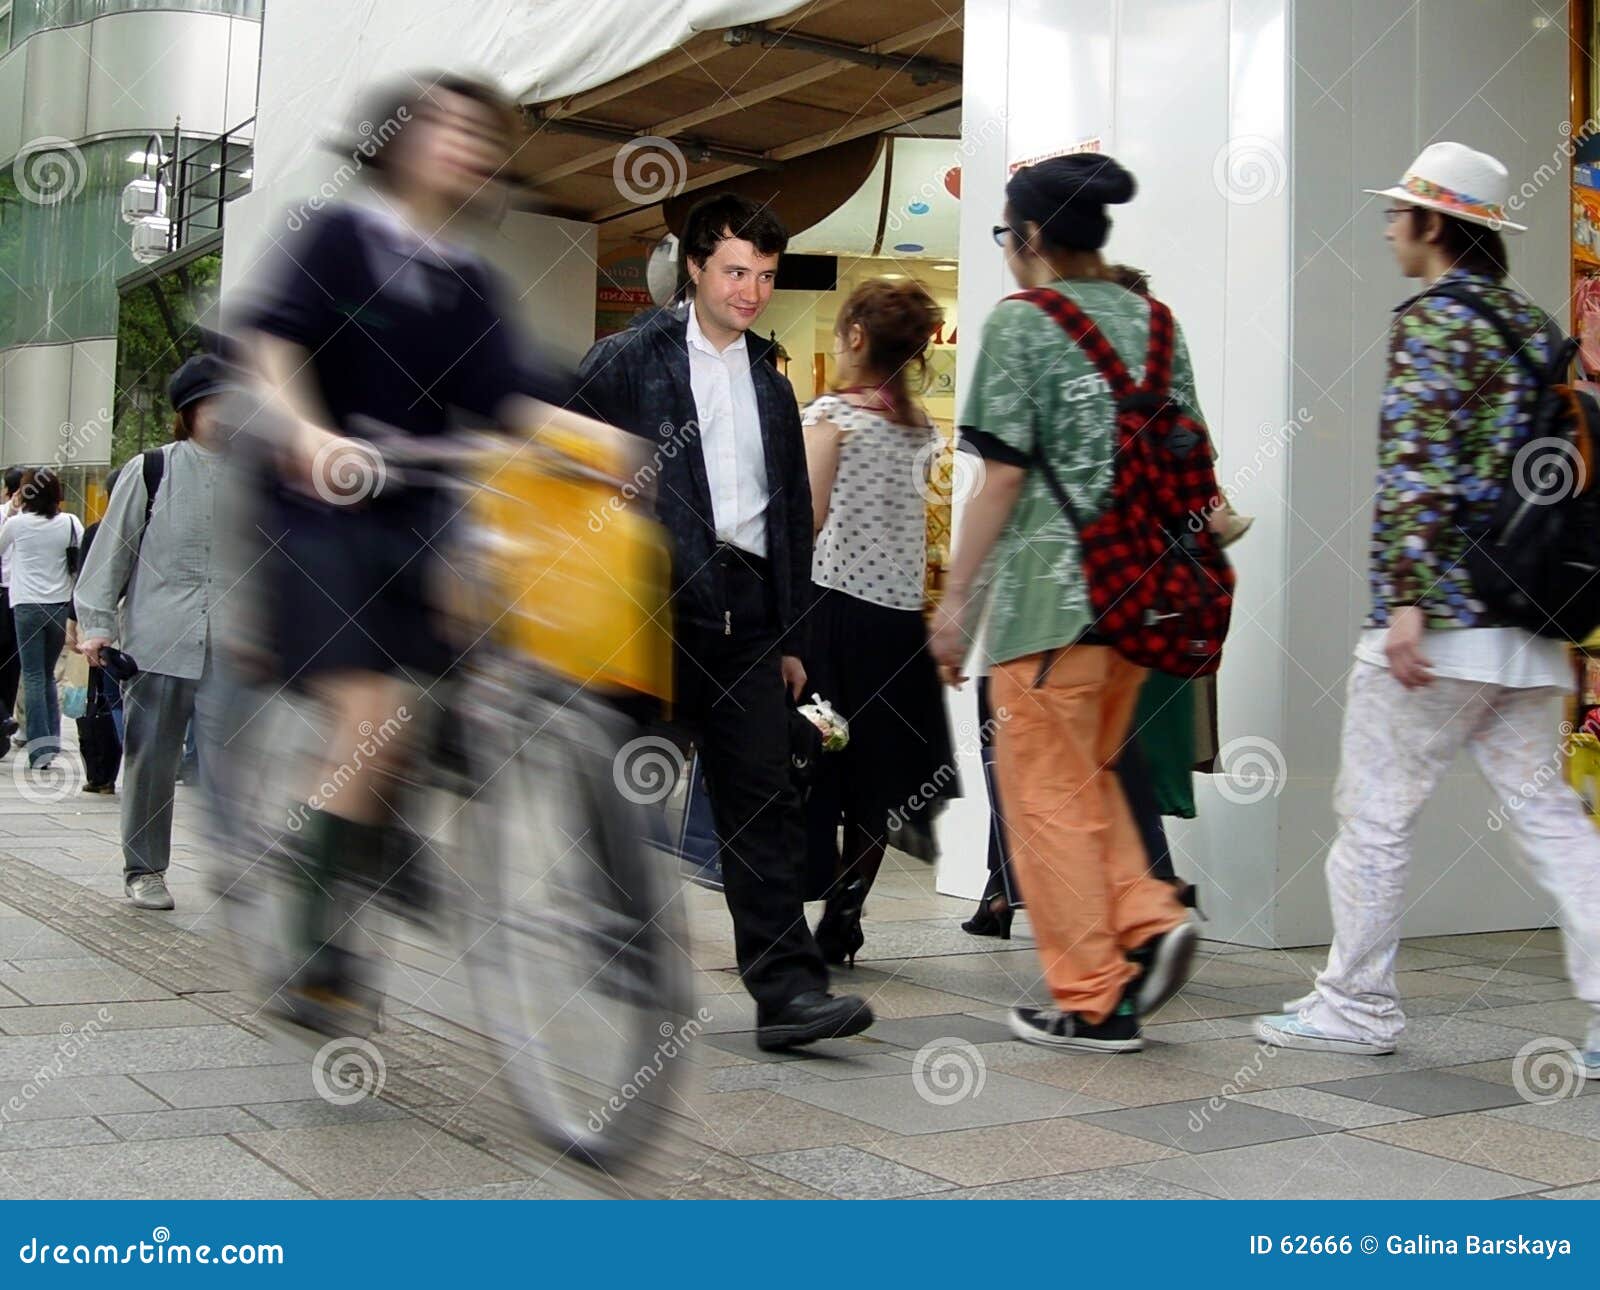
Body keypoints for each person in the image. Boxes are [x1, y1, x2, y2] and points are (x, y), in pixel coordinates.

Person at [234, 73, 578, 1033]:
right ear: (392, 139)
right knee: (372, 709)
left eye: (482, 132)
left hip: (421, 511)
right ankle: (319, 950)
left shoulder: (468, 279)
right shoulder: (339, 238)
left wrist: (598, 447)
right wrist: (309, 436)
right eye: (447, 125)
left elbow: (509, 395)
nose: (468, 144)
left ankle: (385, 820)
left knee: (482, 634)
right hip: (322, 507)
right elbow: (271, 345)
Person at [1256, 142, 1600, 1066]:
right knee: (1552, 820)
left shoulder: (1432, 324)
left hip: (1441, 622)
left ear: (1433, 225)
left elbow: (1418, 467)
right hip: (1528, 622)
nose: (1387, 226)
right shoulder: (1536, 327)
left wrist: (1406, 602)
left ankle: (1355, 1007)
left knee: (1376, 815)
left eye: (1397, 211)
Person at [574, 193, 873, 1051]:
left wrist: (789, 641)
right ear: (696, 266)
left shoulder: (772, 383)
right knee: (631, 793)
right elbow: (566, 476)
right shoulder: (623, 361)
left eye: (766, 276)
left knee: (762, 804)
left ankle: (787, 996)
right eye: (736, 270)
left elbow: (787, 519)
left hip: (746, 613)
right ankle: (611, 949)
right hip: (647, 610)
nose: (751, 290)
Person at [928, 153, 1199, 1053]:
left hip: (1051, 604)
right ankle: (1151, 918)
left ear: (1035, 238)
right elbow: (1192, 469)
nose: (1009, 252)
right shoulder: (1158, 324)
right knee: (1091, 787)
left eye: (1009, 235)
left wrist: (955, 603)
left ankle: (1093, 998)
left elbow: (1001, 480)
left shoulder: (1022, 323)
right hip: (1142, 605)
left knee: (1045, 801)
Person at [802, 277, 956, 966]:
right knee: (875, 778)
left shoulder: (831, 416)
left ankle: (792, 904)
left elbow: (805, 519)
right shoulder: (917, 425)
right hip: (897, 628)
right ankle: (846, 911)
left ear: (857, 338)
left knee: (813, 762)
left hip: (832, 612)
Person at [76, 356, 238, 911]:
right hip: (160, 643)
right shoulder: (152, 469)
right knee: (152, 762)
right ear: (189, 412)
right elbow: (109, 555)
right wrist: (96, 626)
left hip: (236, 648)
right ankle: (144, 869)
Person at [0, 469, 82, 770]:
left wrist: (12, 508)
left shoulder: (18, 524)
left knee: (33, 675)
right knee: (47, 674)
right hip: (59, 605)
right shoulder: (70, 523)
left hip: (26, 606)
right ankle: (52, 742)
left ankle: (40, 751)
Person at [0, 467, 24, 746]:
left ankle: (5, 723)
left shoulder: (38, 520)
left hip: (20, 597)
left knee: (12, 666)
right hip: (4, 594)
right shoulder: (5, 516)